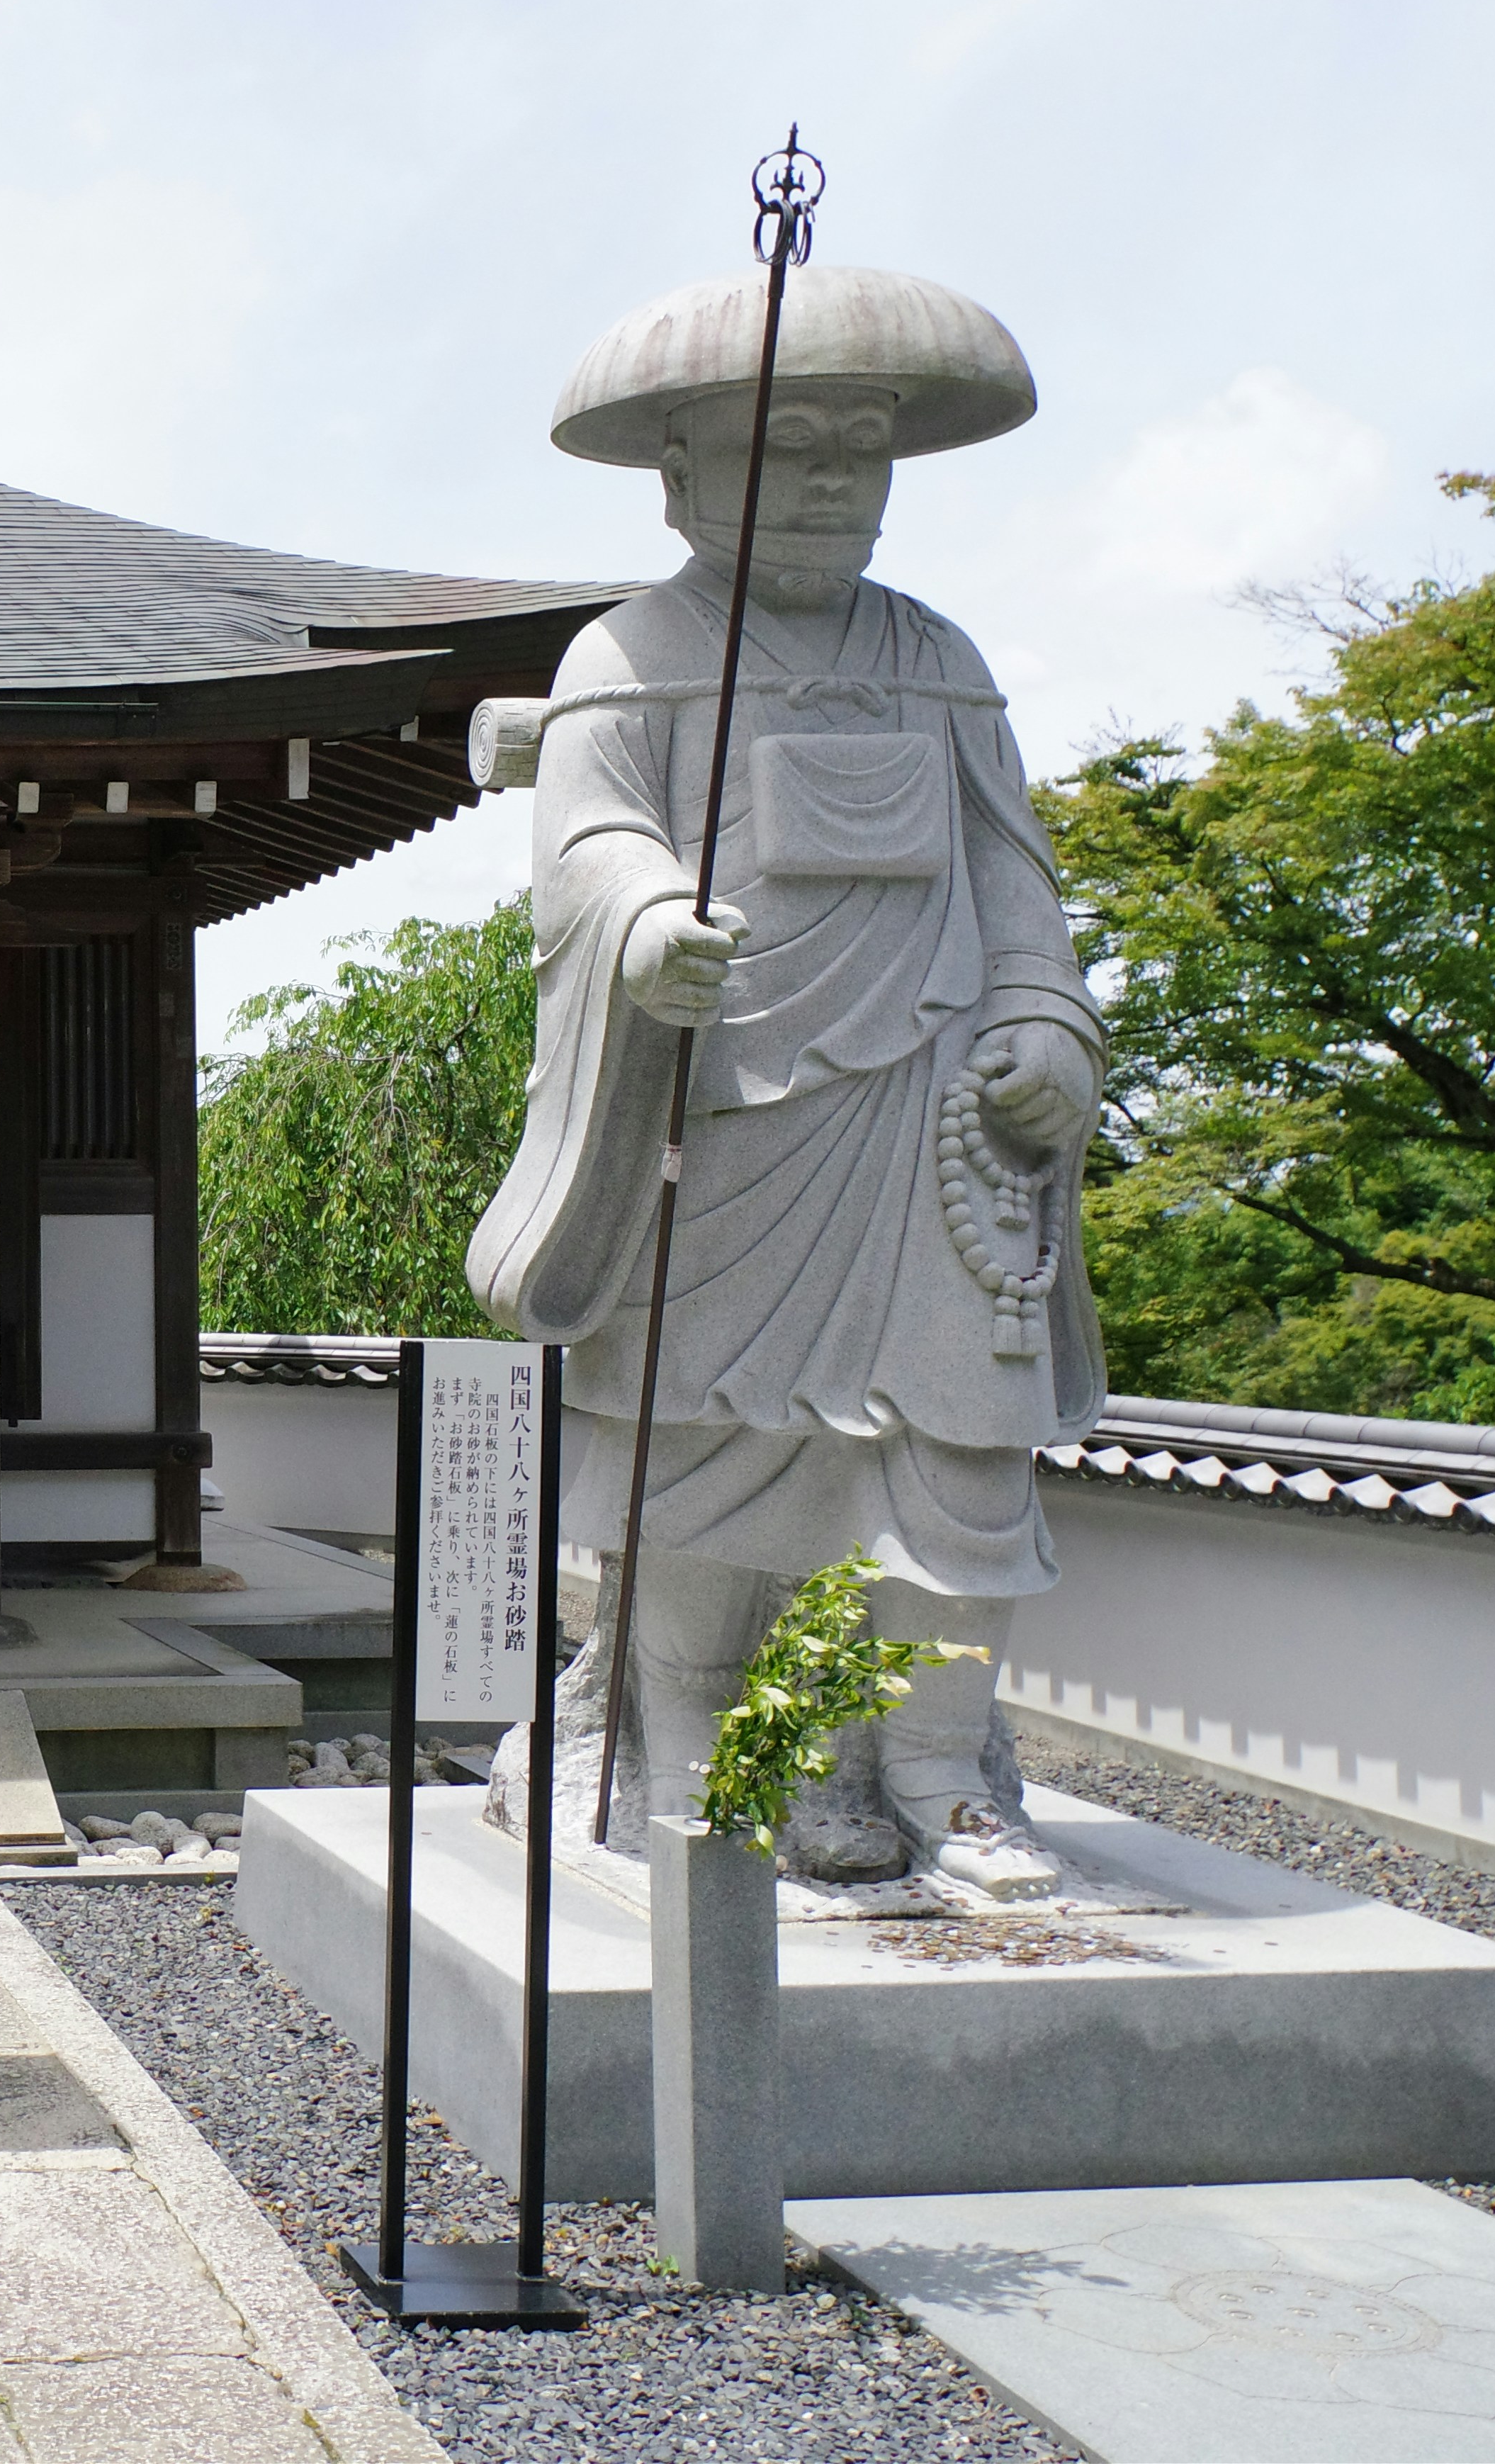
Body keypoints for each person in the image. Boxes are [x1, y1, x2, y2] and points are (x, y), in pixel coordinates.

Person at [468, 262, 1101, 1893]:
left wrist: (1044, 1015)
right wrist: (641, 923)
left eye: (856, 449)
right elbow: (587, 839)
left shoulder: (936, 658)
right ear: (680, 474)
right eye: (786, 447)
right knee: (706, 1447)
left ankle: (939, 1769)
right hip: (730, 1117)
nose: (830, 482)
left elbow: (1012, 872)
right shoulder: (633, 651)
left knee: (958, 1461)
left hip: (937, 1123)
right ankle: (686, 1753)